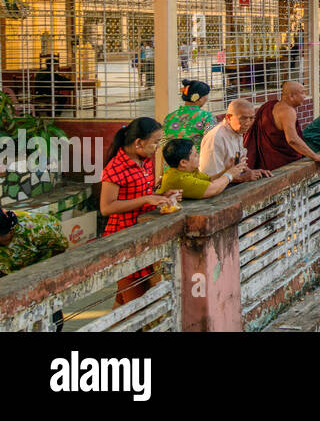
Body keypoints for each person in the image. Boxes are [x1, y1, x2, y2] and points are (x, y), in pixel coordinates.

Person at [99, 117, 177, 306]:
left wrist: (161, 196)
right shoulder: (115, 168)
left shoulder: (146, 162)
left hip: (144, 233)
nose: (158, 147)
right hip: (123, 236)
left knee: (125, 301)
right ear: (139, 143)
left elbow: (145, 194)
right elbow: (106, 207)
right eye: (155, 142)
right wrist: (146, 199)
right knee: (138, 305)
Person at [245, 81, 320, 172]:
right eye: (302, 92)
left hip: (266, 161)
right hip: (280, 163)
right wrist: (314, 156)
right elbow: (292, 140)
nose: (305, 96)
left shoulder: (269, 105)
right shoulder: (288, 111)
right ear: (291, 96)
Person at [199, 99, 272, 181]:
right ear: (228, 117)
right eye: (243, 118)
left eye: (251, 118)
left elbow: (238, 165)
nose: (248, 123)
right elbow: (210, 178)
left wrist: (253, 173)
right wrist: (242, 178)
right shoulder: (216, 137)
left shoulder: (236, 131)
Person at [158, 138, 243, 201]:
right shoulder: (179, 179)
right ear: (183, 162)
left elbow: (210, 180)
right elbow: (213, 189)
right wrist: (230, 174)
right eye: (195, 155)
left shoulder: (188, 170)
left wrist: (227, 170)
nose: (199, 156)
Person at [0, 208, 69, 277]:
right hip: (13, 265)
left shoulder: (38, 229)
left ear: (11, 231)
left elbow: (60, 248)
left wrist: (47, 270)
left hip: (43, 258)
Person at [164, 79, 220, 148]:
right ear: (199, 98)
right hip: (196, 158)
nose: (207, 98)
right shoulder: (207, 117)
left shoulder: (169, 117)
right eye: (206, 95)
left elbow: (164, 143)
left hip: (172, 158)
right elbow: (212, 141)